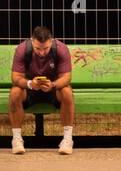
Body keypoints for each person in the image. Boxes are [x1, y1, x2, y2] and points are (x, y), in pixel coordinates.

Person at [8, 26, 75, 155]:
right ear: (32, 41)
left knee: (67, 91)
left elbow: (67, 77)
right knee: (15, 92)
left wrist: (53, 85)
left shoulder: (61, 49)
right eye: (38, 48)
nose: (42, 52)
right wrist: (29, 84)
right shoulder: (22, 49)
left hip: (53, 89)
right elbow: (15, 77)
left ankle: (67, 139)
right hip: (30, 89)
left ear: (51, 41)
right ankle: (16, 139)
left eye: (46, 49)